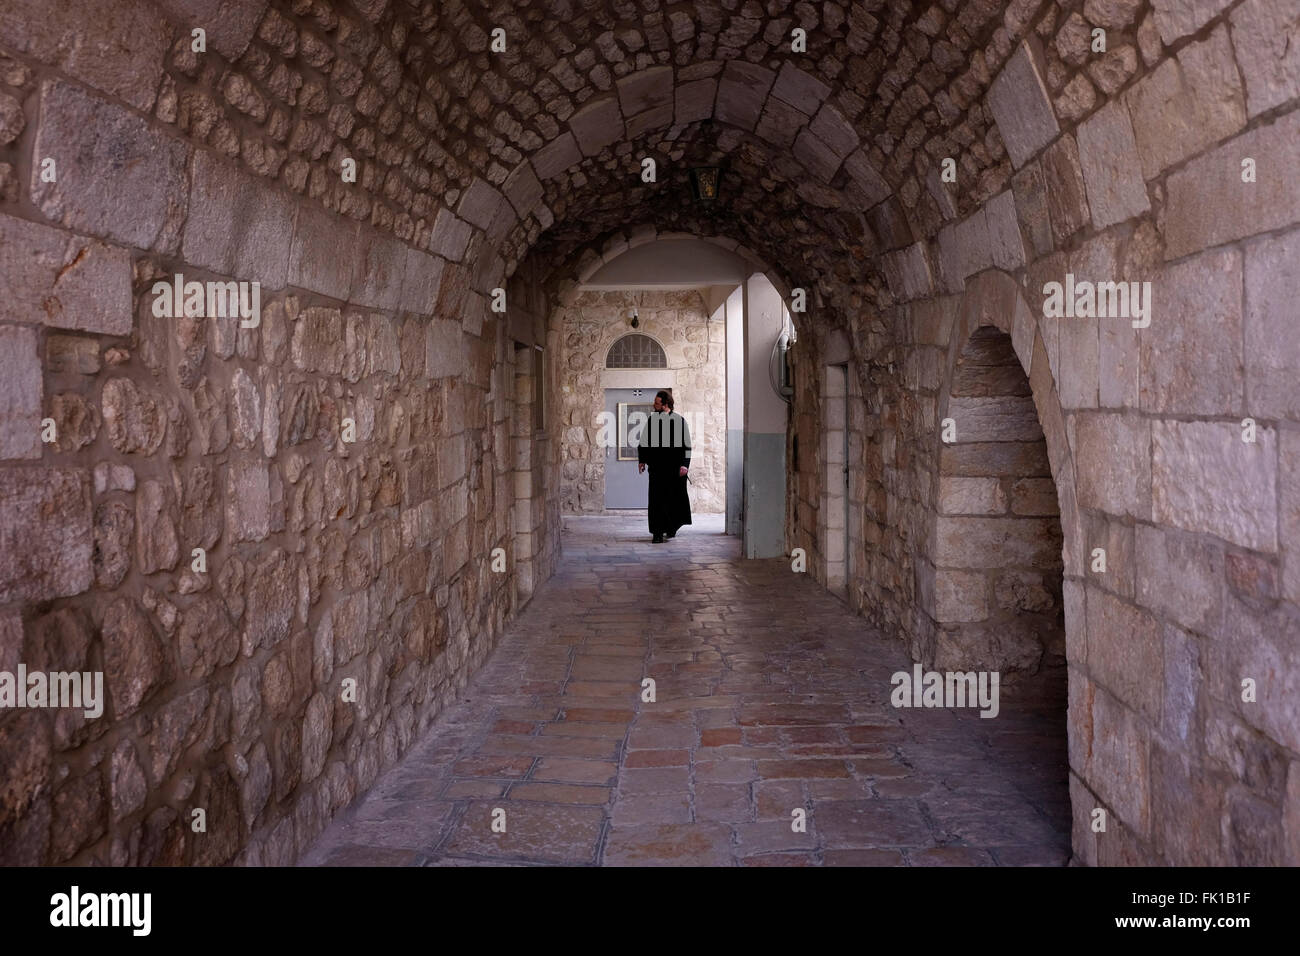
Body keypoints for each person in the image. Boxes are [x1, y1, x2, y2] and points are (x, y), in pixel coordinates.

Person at [636, 390, 692, 543]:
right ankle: (657, 533)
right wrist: (642, 460)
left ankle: (671, 527)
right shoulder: (652, 421)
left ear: (666, 405)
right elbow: (644, 442)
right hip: (656, 469)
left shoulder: (679, 421)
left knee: (672, 500)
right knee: (656, 501)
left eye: (657, 403)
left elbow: (687, 445)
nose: (654, 405)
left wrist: (685, 465)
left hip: (674, 470)